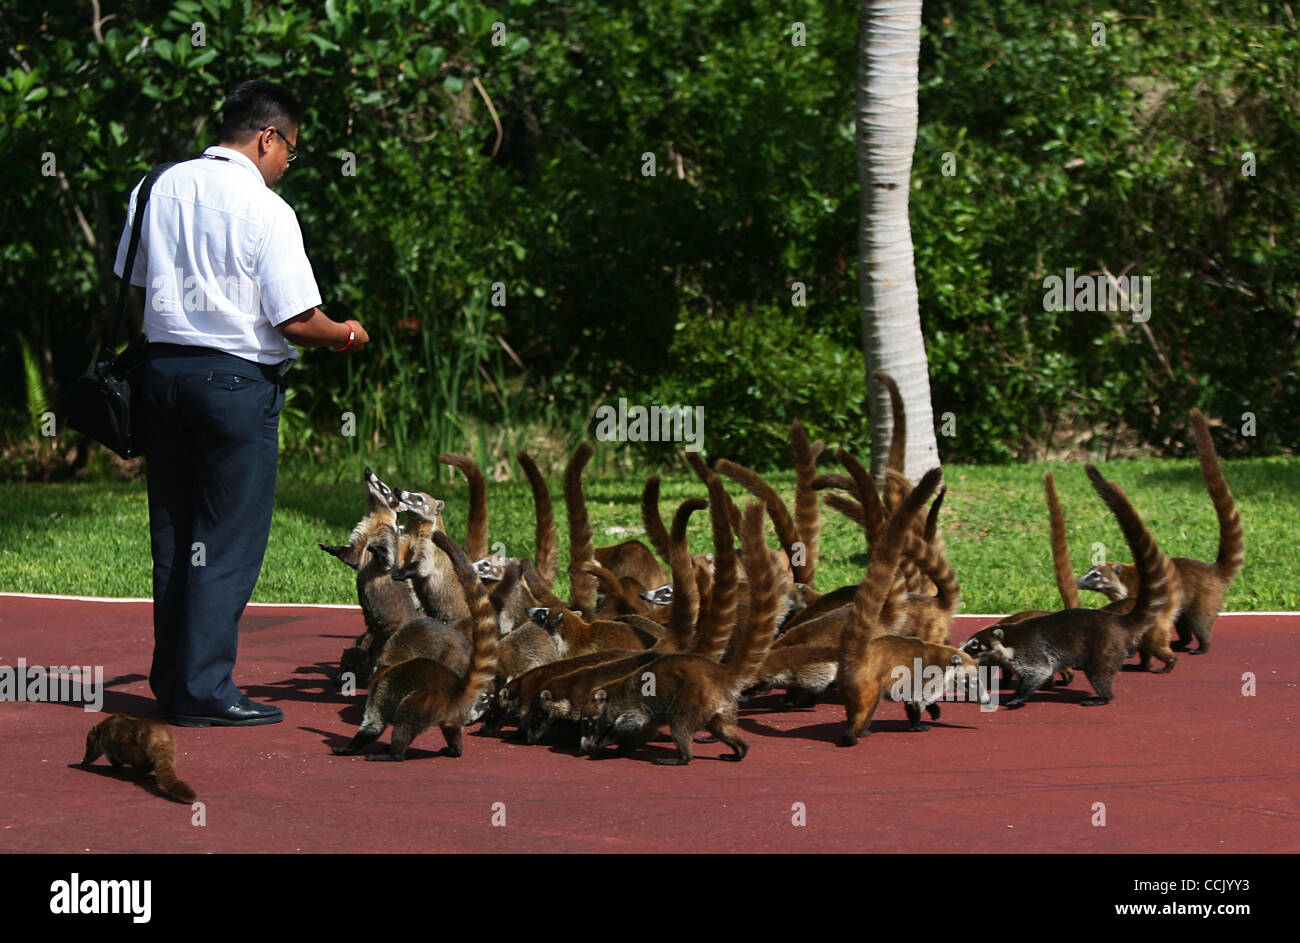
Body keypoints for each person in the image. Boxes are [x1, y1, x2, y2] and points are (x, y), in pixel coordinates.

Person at [113, 79, 368, 726]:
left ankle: (173, 685)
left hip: (164, 376)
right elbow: (296, 320)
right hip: (234, 386)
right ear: (267, 136)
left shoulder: (155, 186)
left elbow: (133, 280)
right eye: (292, 150)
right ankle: (206, 692)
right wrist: (346, 334)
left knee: (173, 537)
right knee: (226, 541)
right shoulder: (268, 211)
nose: (289, 163)